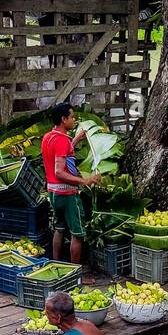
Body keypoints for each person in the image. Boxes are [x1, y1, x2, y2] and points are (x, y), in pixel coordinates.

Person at [41, 102, 100, 263]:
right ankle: (76, 274)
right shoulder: (62, 141)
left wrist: (74, 140)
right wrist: (84, 180)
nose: (74, 120)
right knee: (77, 234)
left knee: (59, 229)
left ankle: (56, 264)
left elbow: (60, 154)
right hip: (67, 194)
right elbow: (59, 172)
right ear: (63, 119)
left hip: (53, 193)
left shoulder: (48, 137)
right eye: (71, 117)